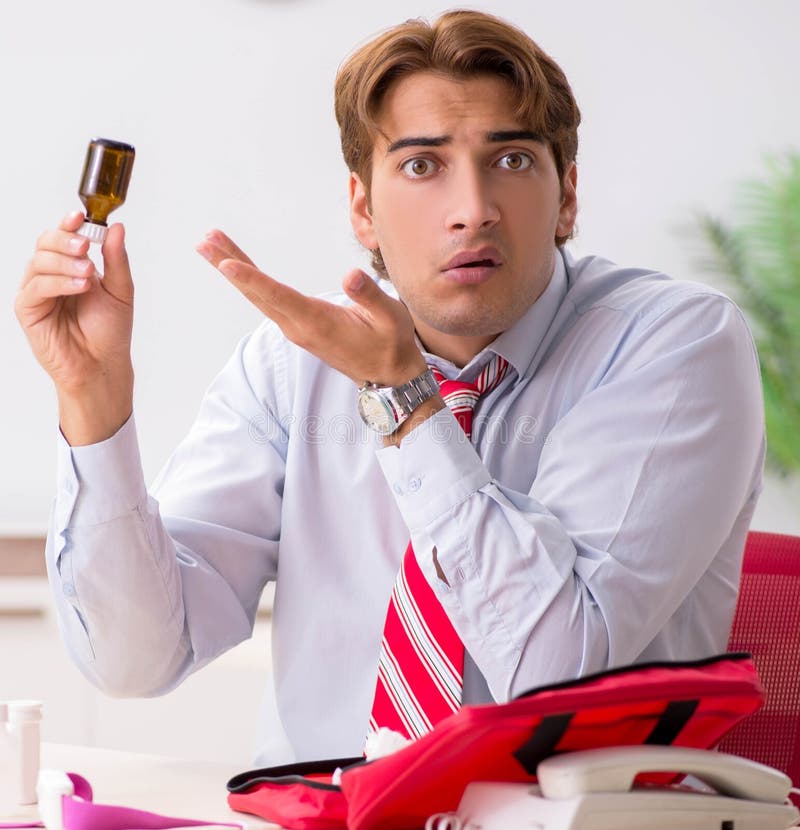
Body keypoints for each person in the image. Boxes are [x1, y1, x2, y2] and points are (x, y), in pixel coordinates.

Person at [15, 9, 764, 765]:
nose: (472, 209)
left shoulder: (674, 343)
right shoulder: (287, 369)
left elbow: (555, 669)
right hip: (324, 814)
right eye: (420, 165)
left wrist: (404, 399)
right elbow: (136, 659)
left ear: (567, 194)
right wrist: (94, 401)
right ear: (363, 210)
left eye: (511, 160)